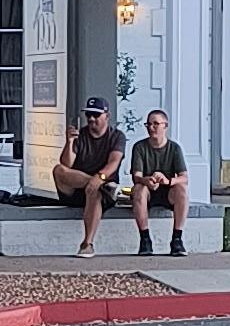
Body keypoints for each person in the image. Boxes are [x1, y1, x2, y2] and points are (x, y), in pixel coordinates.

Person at [52, 94, 126, 254]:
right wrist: (69, 142)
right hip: (80, 188)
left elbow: (114, 161)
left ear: (107, 116)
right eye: (88, 115)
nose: (91, 119)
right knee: (58, 170)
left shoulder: (116, 136)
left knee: (94, 191)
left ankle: (87, 243)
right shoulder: (81, 135)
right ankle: (104, 187)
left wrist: (100, 178)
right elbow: (66, 165)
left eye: (96, 115)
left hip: (99, 191)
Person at [127, 107, 192, 258]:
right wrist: (146, 180)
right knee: (138, 189)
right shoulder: (139, 147)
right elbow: (136, 176)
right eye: (148, 124)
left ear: (165, 126)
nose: (151, 128)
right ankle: (145, 239)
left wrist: (168, 180)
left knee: (181, 189)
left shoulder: (174, 148)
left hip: (167, 191)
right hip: (148, 192)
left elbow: (184, 177)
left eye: (156, 124)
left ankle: (177, 239)